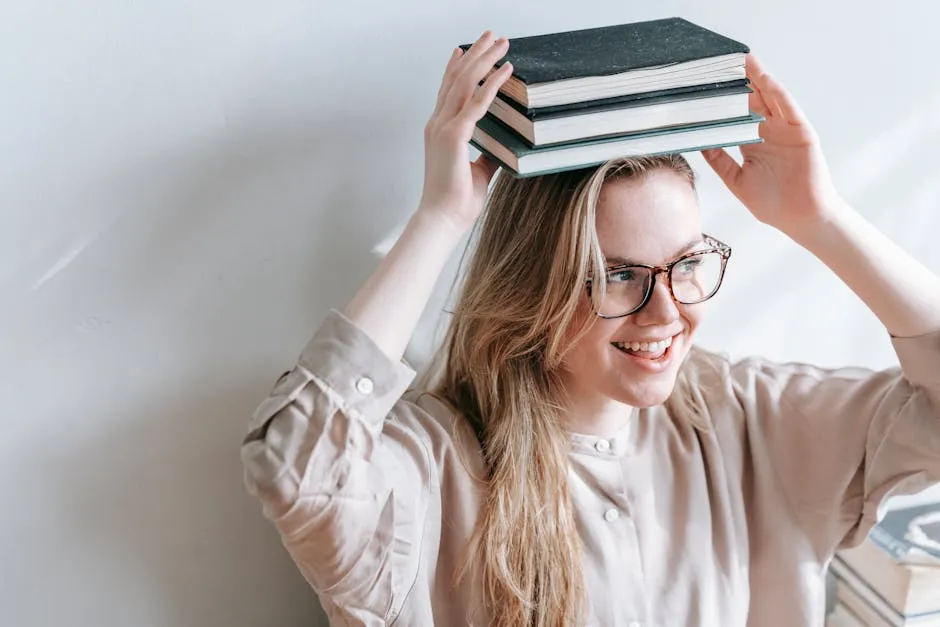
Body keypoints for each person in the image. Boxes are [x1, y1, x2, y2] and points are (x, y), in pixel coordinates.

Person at [240, 31, 940, 627]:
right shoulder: (438, 467)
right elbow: (295, 466)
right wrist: (439, 220)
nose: (665, 313)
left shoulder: (745, 417)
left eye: (687, 264)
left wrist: (821, 220)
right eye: (618, 276)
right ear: (534, 287)